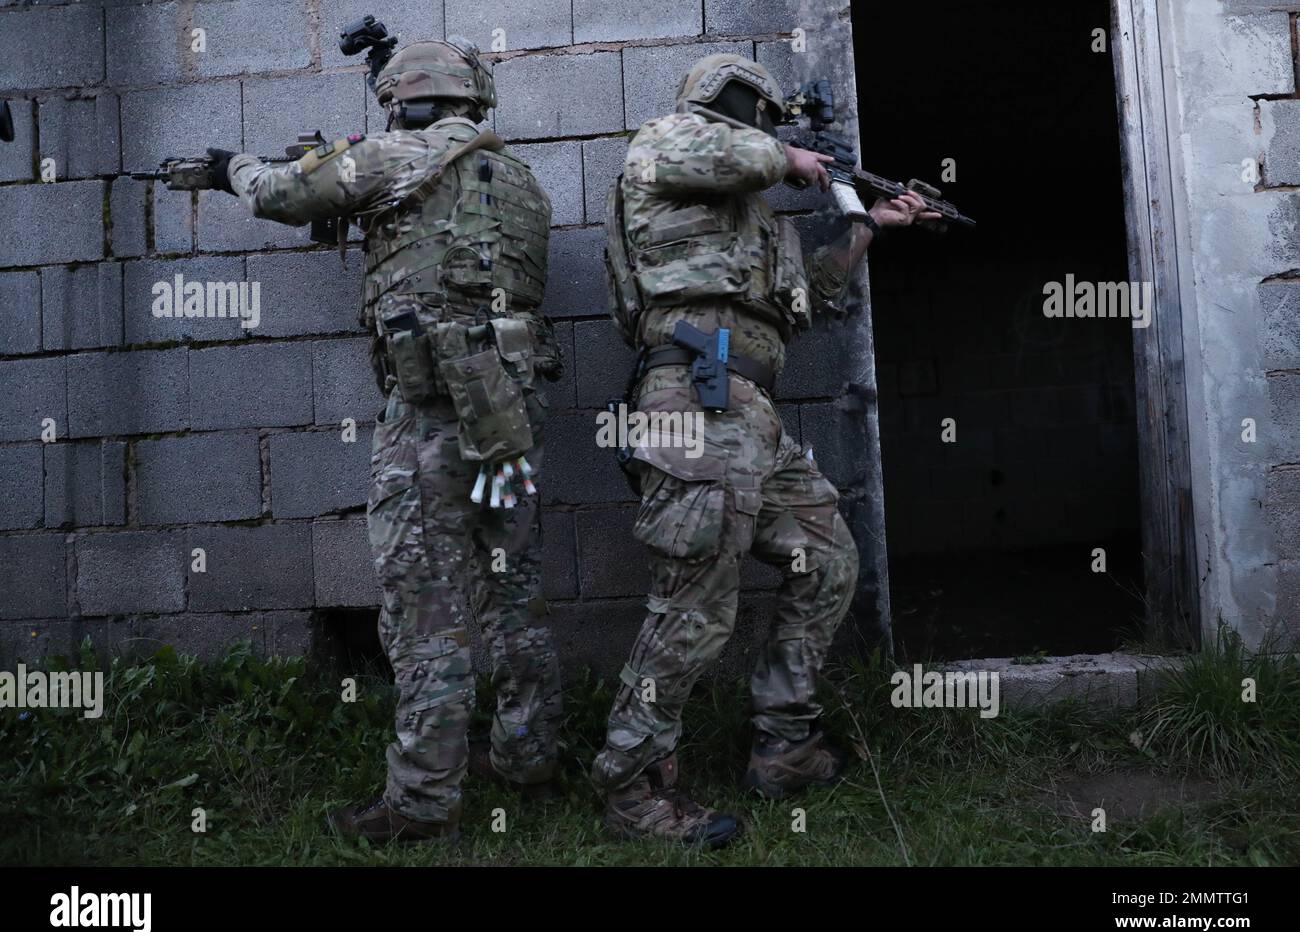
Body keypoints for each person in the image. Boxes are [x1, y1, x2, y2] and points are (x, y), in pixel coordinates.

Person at [204, 37, 563, 842]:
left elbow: (286, 193)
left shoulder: (401, 155)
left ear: (404, 98)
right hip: (509, 421)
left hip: (433, 417)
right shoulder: (520, 179)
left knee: (423, 603)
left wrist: (234, 166)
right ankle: (527, 754)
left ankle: (422, 804)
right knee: (510, 585)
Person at [596, 53, 940, 846]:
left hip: (752, 412)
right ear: (739, 110)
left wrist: (866, 229)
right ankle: (630, 788)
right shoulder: (666, 146)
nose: (778, 142)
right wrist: (791, 159)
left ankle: (784, 745)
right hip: (693, 394)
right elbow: (686, 154)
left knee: (828, 559)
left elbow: (808, 301)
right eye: (769, 126)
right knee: (695, 604)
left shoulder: (752, 219)